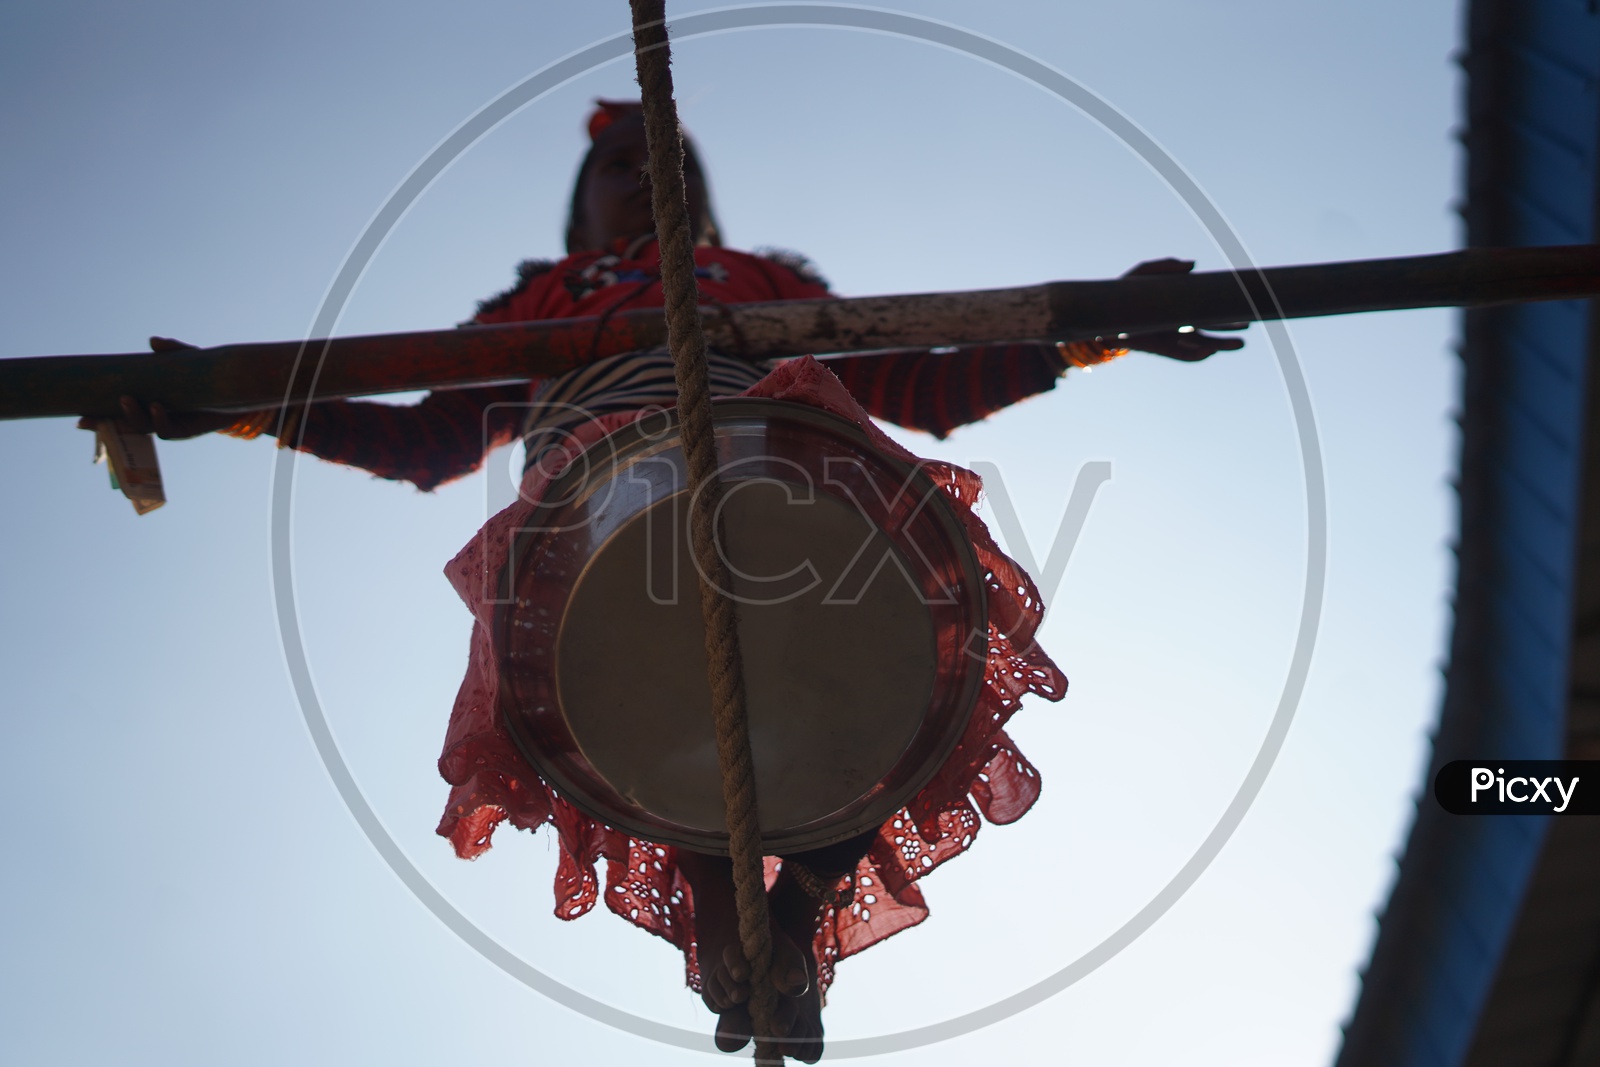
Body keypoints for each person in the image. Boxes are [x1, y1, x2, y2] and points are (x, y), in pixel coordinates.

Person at [99, 100, 1242, 1061]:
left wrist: (1088, 330)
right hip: (606, 481)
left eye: (671, 162)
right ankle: (723, 894)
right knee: (654, 602)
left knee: (884, 623)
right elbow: (427, 439)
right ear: (577, 211)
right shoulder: (539, 301)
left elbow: (921, 381)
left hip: (776, 454)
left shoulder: (763, 278)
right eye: (617, 163)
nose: (648, 173)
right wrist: (253, 405)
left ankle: (794, 902)